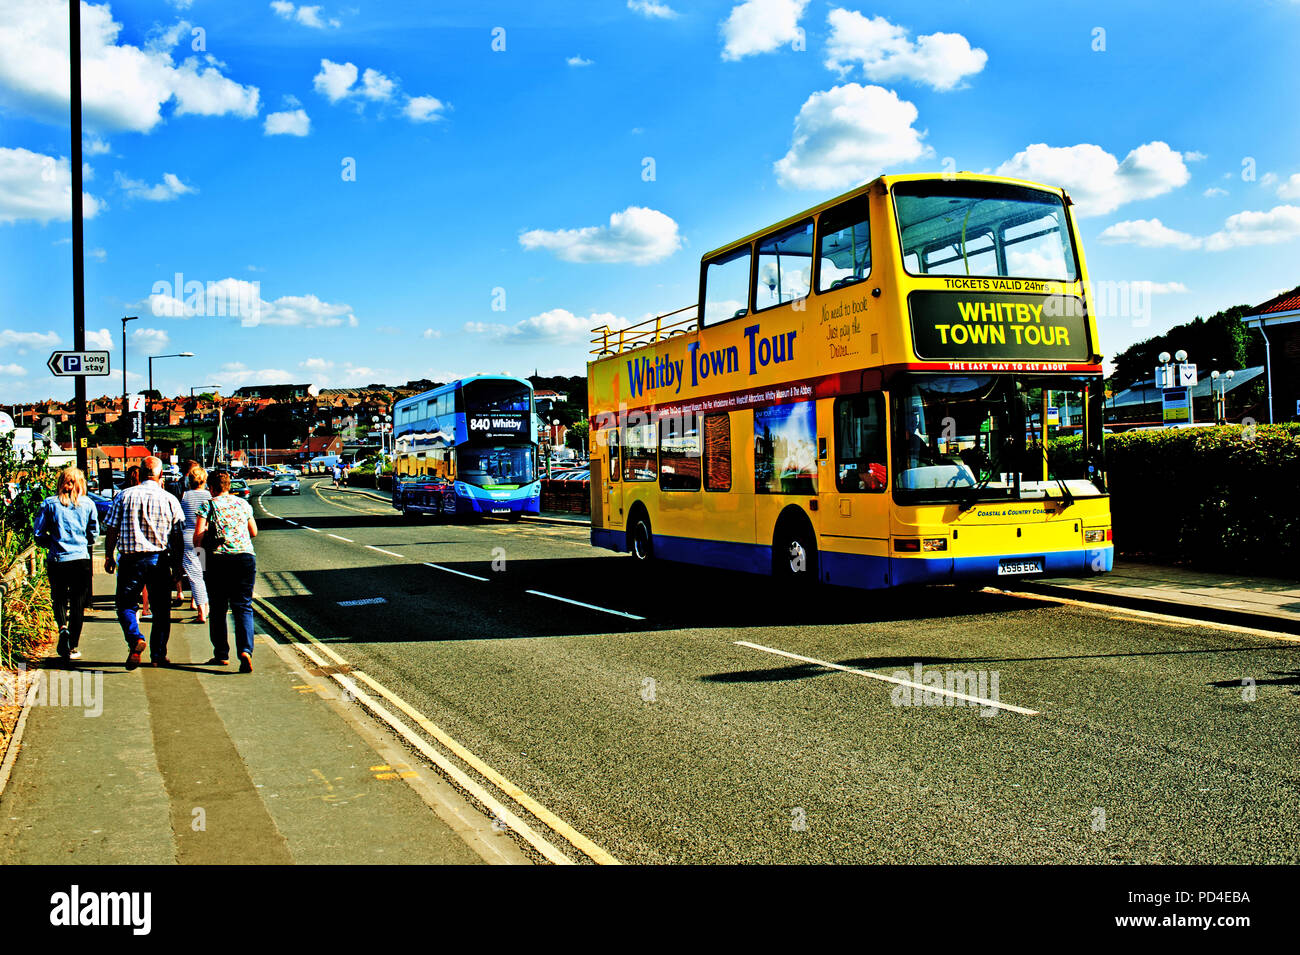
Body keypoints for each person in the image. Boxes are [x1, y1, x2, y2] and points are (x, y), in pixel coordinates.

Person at [103, 456, 185, 669]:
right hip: (159, 559)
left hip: (131, 560)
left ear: (139, 473)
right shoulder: (170, 499)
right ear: (160, 475)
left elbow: (111, 528)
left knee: (125, 604)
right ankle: (158, 655)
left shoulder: (124, 496)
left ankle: (135, 638)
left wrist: (109, 555)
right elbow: (177, 535)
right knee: (161, 609)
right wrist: (177, 565)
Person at [195, 470, 258, 673]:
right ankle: (246, 650)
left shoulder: (207, 505)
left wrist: (201, 551)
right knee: (243, 606)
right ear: (228, 486)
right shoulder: (243, 504)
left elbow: (197, 538)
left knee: (219, 608)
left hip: (217, 559)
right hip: (245, 558)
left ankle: (221, 654)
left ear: (210, 488)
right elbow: (253, 532)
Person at [34, 467, 99, 661]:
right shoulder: (88, 504)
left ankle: (62, 628)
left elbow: (38, 533)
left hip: (58, 559)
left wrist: (52, 543)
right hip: (80, 559)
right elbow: (93, 533)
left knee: (59, 598)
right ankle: (72, 646)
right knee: (78, 603)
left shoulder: (49, 504)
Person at [180, 465, 212, 623]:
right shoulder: (209, 496)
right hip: (206, 537)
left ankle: (202, 612)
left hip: (189, 538)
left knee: (195, 576)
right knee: (204, 574)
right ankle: (206, 606)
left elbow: (180, 519)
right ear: (204, 480)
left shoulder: (185, 495)